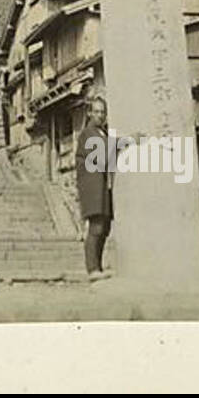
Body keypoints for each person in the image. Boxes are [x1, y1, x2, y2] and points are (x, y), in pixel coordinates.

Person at [75, 94, 114, 281]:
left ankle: (98, 266)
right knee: (96, 227)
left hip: (102, 184)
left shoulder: (102, 132)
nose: (100, 115)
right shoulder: (88, 133)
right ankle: (92, 269)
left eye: (103, 112)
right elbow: (104, 150)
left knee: (104, 228)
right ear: (90, 113)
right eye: (97, 111)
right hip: (92, 186)